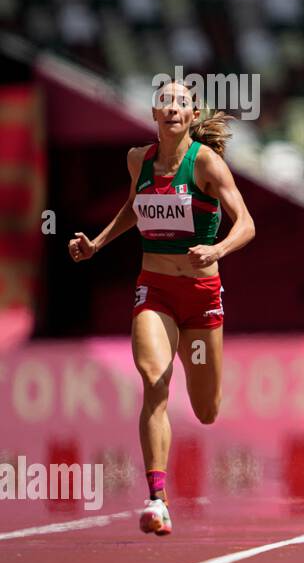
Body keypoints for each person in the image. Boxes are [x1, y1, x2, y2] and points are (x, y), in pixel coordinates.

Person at [68, 81, 255, 535]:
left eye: (182, 103)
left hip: (202, 295)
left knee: (206, 407)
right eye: (165, 101)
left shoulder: (207, 164)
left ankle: (198, 409)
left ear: (191, 116)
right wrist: (97, 243)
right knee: (154, 378)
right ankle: (157, 498)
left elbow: (246, 224)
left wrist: (217, 251)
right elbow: (134, 208)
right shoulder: (139, 160)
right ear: (154, 113)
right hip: (155, 289)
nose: (173, 108)